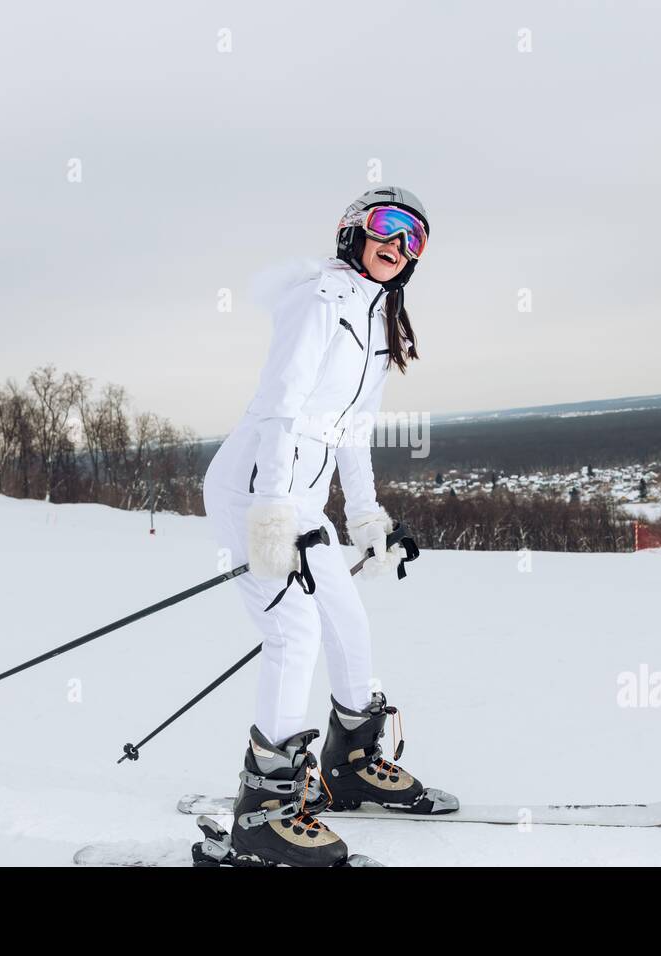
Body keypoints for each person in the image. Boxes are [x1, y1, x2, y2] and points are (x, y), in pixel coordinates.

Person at [201, 186, 457, 866]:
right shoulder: (318, 302)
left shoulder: (374, 320)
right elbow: (283, 410)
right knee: (294, 632)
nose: (399, 246)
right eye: (388, 226)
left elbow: (351, 434)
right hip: (254, 491)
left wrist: (366, 518)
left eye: (414, 240)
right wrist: (273, 516)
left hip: (299, 501)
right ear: (353, 230)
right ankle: (263, 813)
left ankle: (350, 761)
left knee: (347, 619)